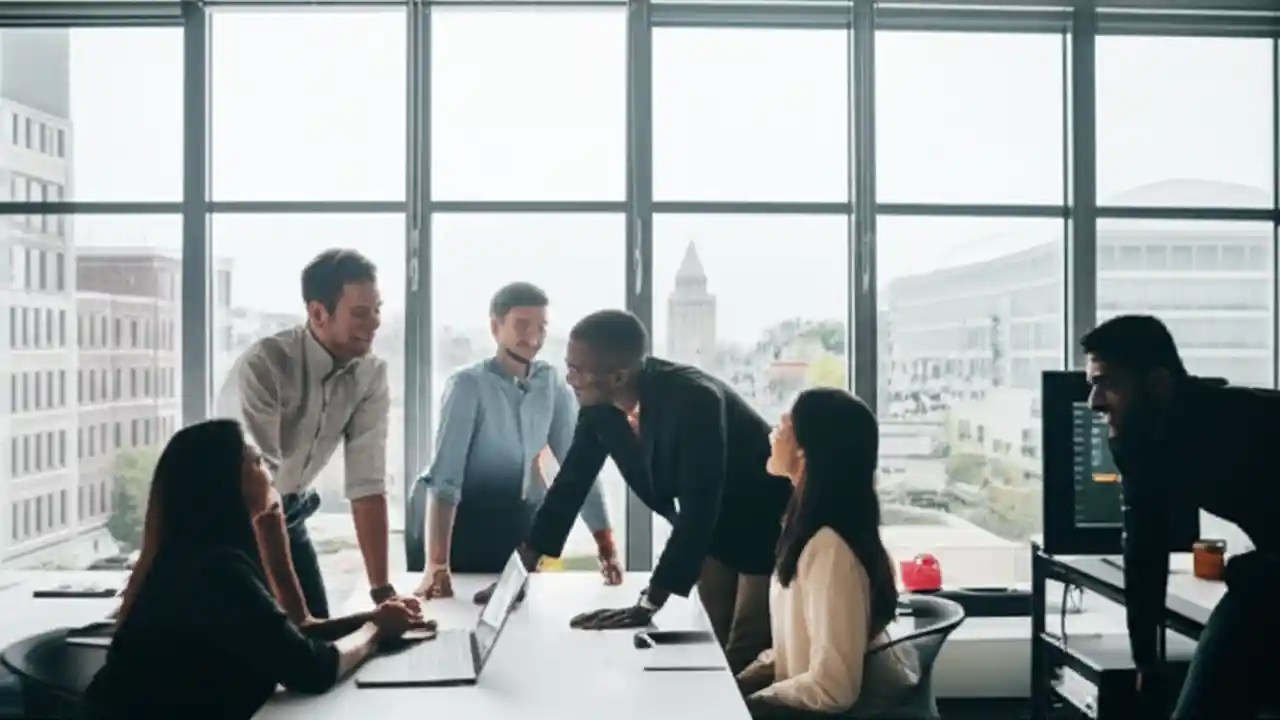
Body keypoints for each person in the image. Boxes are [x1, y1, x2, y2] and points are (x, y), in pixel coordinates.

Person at [85, 420, 429, 719]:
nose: (269, 472)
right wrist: (374, 630)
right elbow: (312, 669)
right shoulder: (215, 572)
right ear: (226, 483)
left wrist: (377, 617)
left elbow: (293, 635)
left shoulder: (198, 556)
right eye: (258, 462)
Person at [510, 309, 792, 674]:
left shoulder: (695, 401)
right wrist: (519, 574)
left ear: (618, 376)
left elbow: (699, 507)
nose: (569, 379)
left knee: (745, 651)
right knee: (713, 646)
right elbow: (570, 486)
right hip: (712, 535)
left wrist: (647, 604)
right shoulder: (601, 409)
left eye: (577, 370)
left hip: (762, 527)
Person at [1082, 314, 1280, 719]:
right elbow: (1144, 543)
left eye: (1109, 383)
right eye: (1093, 384)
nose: (1094, 401)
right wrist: (1145, 658)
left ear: (1158, 384)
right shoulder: (1138, 440)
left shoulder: (1248, 422)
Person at [217, 249, 401, 622]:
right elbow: (259, 491)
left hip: (289, 513)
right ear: (318, 313)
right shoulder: (265, 365)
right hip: (231, 520)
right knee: (285, 645)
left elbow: (367, 484)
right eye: (360, 313)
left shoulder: (370, 374)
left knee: (320, 642)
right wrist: (302, 624)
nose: (374, 323)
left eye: (377, 309)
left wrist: (383, 594)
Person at [414, 282, 621, 602]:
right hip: (463, 525)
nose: (533, 338)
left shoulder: (550, 384)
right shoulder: (467, 386)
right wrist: (437, 565)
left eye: (541, 327)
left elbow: (578, 469)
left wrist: (605, 545)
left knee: (517, 616)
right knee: (460, 611)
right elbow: (445, 481)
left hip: (519, 524)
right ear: (496, 327)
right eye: (522, 326)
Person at [735, 388, 919, 719]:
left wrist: (753, 702)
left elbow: (833, 688)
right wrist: (736, 683)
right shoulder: (807, 527)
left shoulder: (830, 549)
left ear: (806, 450)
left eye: (785, 424)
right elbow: (796, 644)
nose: (773, 432)